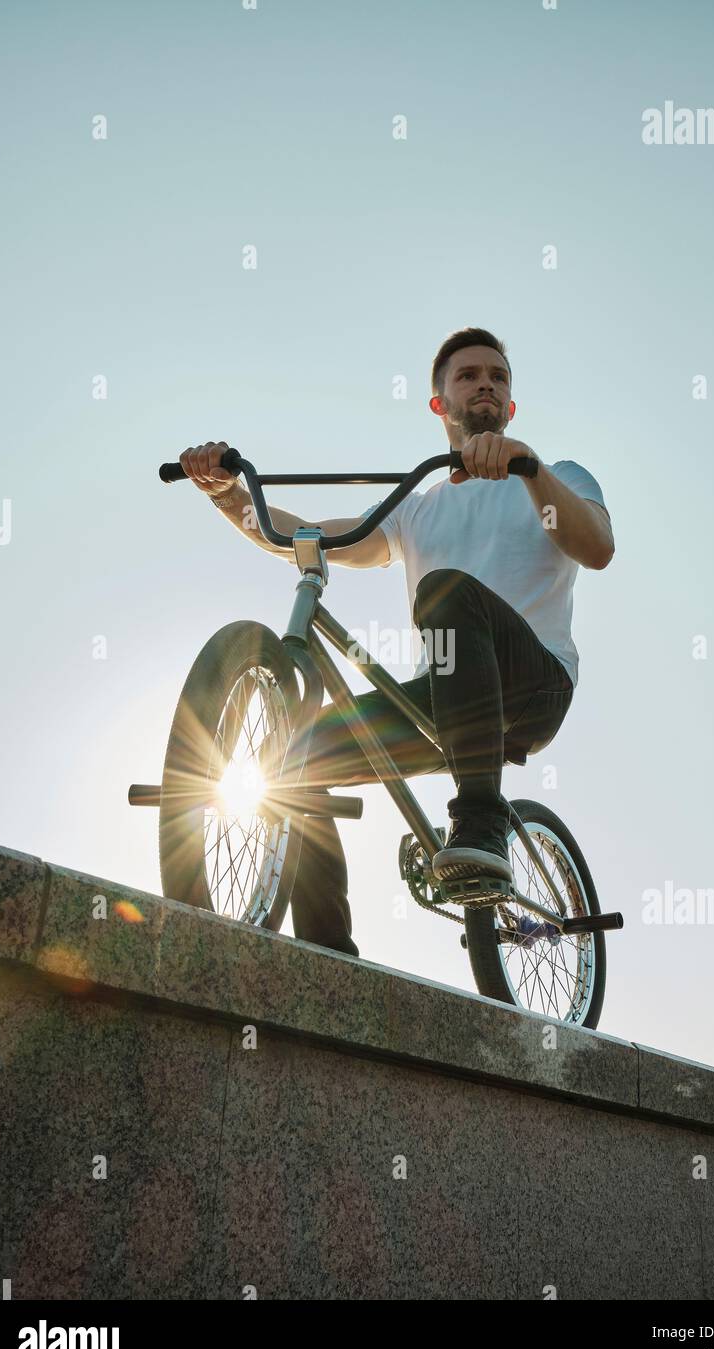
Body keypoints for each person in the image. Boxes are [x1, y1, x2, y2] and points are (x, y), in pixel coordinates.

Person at [178, 327, 615, 957]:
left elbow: (595, 547)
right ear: (439, 404)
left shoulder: (558, 478)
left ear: (511, 406)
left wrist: (529, 469)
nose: (485, 383)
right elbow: (302, 536)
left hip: (533, 684)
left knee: (443, 591)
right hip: (443, 698)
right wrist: (230, 497)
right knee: (301, 753)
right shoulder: (416, 509)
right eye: (467, 376)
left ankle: (482, 823)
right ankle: (326, 956)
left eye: (498, 376)